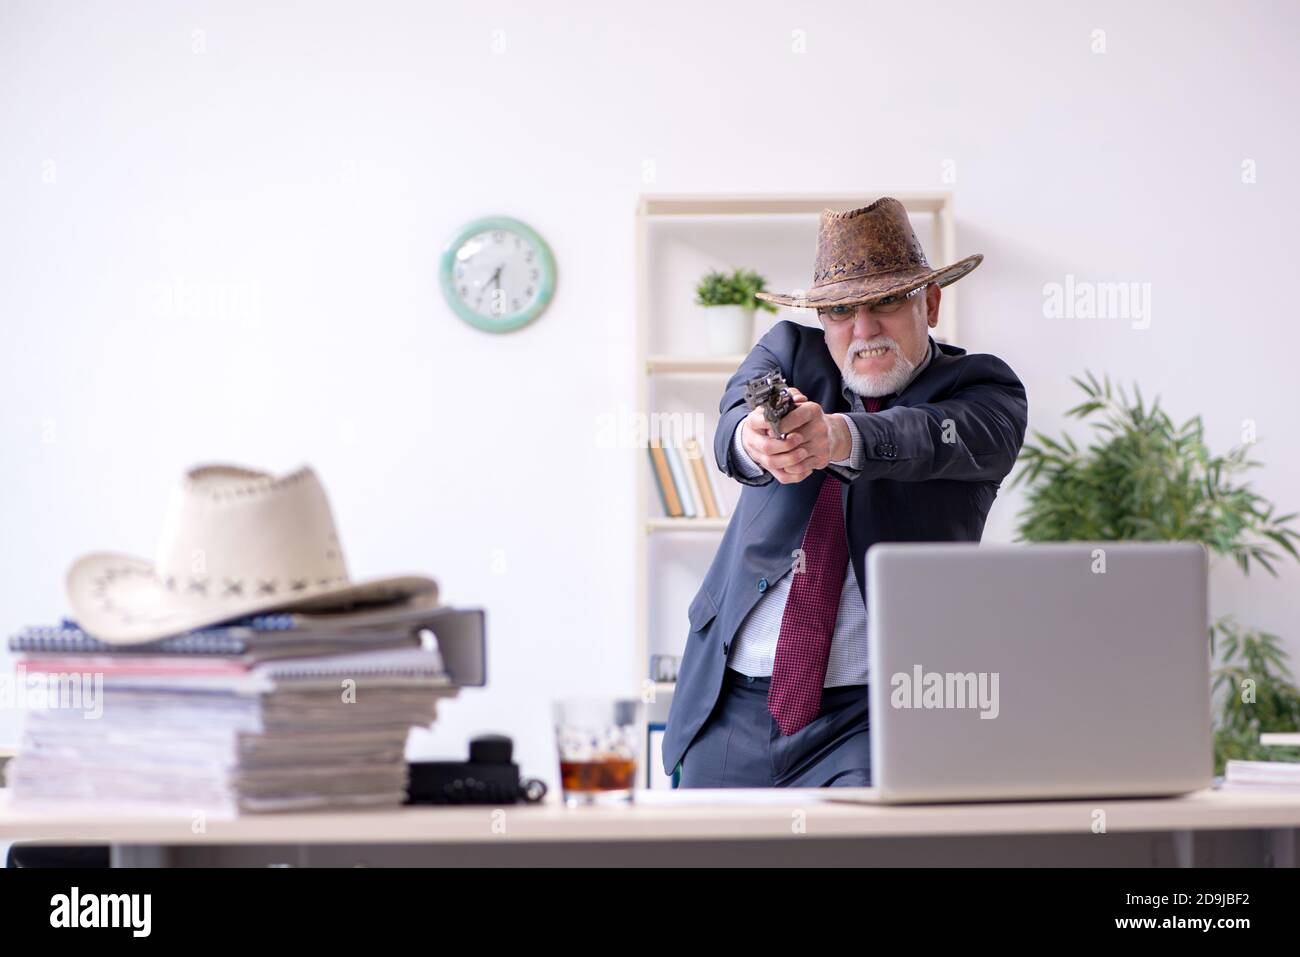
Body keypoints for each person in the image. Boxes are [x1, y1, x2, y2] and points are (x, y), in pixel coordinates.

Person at [661, 197, 1028, 787]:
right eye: (840, 311)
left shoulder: (983, 389)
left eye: (885, 302)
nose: (863, 330)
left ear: (930, 304)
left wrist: (838, 435)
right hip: (729, 707)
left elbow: (927, 437)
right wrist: (755, 440)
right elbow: (731, 422)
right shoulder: (787, 354)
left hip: (875, 717)